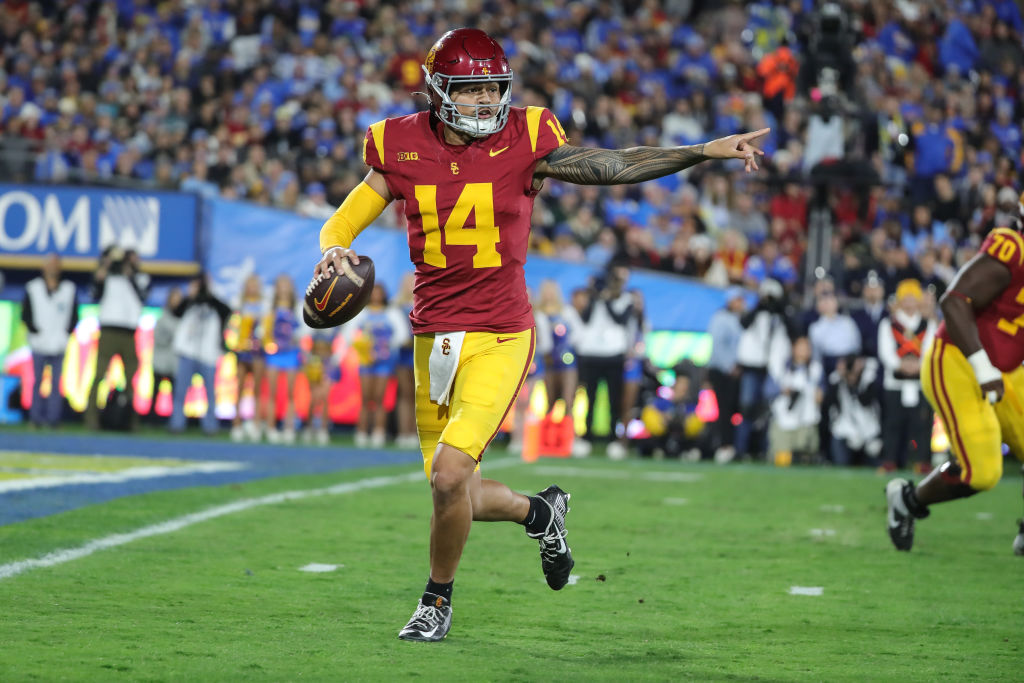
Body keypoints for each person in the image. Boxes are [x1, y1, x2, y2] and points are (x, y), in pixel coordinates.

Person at [314, 27, 769, 641]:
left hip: (501, 333)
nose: (483, 103)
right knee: (461, 494)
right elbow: (346, 218)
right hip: (433, 338)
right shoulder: (398, 143)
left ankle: (436, 602)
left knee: (448, 478)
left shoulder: (527, 136)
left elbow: (612, 165)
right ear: (438, 92)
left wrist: (700, 151)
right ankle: (541, 512)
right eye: (469, 92)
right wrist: (334, 250)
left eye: (490, 91)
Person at [886, 193, 1024, 554]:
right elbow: (953, 301)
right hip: (959, 362)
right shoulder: (1013, 249)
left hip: (1007, 368)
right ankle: (908, 500)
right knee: (983, 472)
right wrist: (982, 368)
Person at [85, 246, 150, 430]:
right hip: (108, 330)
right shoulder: (108, 276)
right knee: (99, 375)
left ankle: (131, 421)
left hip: (129, 332)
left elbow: (142, 296)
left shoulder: (140, 278)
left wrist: (129, 275)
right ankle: (91, 418)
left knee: (131, 379)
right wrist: (105, 265)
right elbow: (94, 292)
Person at [575, 264, 636, 460]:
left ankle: (613, 439)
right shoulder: (595, 300)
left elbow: (620, 320)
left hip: (613, 356)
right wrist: (594, 296)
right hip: (592, 355)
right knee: (589, 398)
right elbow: (585, 318)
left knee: (613, 400)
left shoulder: (626, 300)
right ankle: (586, 437)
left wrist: (607, 300)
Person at [876, 279, 937, 472]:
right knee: (893, 422)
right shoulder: (888, 324)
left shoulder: (928, 324)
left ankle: (922, 461)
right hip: (894, 381)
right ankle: (890, 460)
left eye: (913, 298)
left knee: (921, 423)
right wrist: (899, 365)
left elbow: (930, 350)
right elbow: (885, 351)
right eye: (906, 298)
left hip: (920, 382)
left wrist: (918, 366)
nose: (910, 302)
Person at [344, 284, 410, 447]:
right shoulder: (362, 313)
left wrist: (386, 346)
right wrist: (361, 347)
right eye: (372, 293)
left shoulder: (391, 313)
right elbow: (347, 334)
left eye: (379, 292)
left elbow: (402, 335)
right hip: (366, 361)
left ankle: (378, 432)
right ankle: (361, 432)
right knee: (366, 397)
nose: (376, 296)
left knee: (380, 397)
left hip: (384, 362)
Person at [169, 273, 231, 435]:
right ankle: (177, 423)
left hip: (208, 353)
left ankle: (210, 426)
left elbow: (227, 311)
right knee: (181, 390)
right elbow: (176, 312)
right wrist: (191, 296)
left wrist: (209, 295)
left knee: (210, 392)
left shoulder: (215, 303)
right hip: (188, 351)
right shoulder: (190, 301)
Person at [21, 254, 77, 428]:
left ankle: (53, 419)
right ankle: (35, 418)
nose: (53, 268)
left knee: (56, 383)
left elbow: (74, 316)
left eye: (56, 264)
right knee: (36, 381)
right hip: (39, 342)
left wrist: (66, 333)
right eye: (50, 264)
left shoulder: (69, 288)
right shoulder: (33, 287)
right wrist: (35, 331)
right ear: (43, 267)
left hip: (59, 342)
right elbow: (25, 315)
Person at [706, 286, 746, 462]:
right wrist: (730, 366)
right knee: (724, 409)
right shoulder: (720, 318)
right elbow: (719, 346)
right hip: (722, 371)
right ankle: (724, 445)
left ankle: (731, 444)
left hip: (734, 370)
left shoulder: (737, 319)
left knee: (732, 409)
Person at [262, 274, 301, 444]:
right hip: (274, 354)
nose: (284, 287)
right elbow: (263, 329)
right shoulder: (269, 307)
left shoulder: (298, 307)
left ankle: (289, 427)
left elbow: (304, 328)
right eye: (281, 284)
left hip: (291, 353)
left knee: (291, 394)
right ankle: (270, 428)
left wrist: (296, 338)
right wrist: (269, 340)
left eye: (287, 283)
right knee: (272, 393)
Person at [230, 274, 267, 442]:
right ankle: (236, 424)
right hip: (243, 349)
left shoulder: (264, 305)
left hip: (258, 350)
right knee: (239, 388)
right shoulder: (240, 304)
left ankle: (256, 424)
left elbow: (266, 327)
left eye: (255, 284)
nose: (253, 288)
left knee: (257, 390)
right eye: (250, 284)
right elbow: (233, 325)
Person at [148, 287, 182, 425]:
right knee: (156, 392)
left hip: (175, 362)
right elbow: (158, 337)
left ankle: (175, 421)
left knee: (176, 394)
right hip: (161, 360)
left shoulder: (183, 318)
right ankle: (151, 420)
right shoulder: (163, 316)